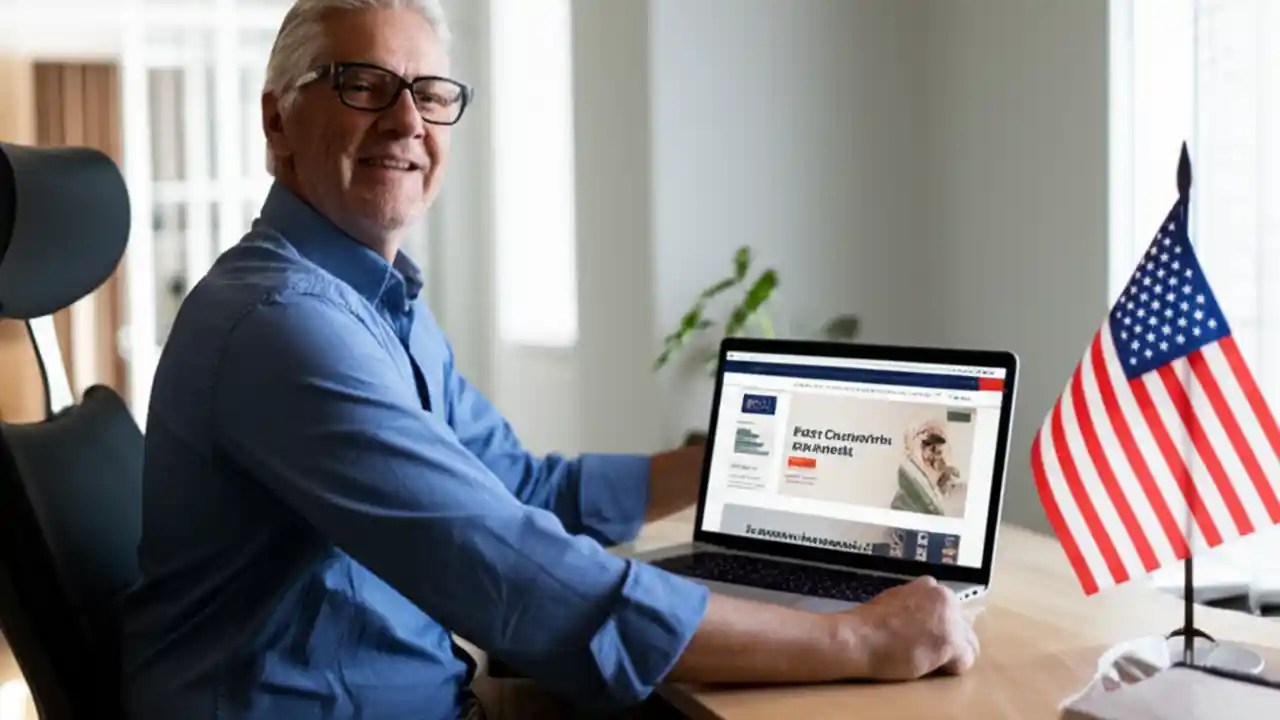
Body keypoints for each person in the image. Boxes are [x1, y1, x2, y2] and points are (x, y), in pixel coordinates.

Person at [120, 1, 979, 718]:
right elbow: (508, 571)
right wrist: (857, 638)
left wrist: (729, 463)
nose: (408, 122)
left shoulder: (376, 304)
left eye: (429, 93)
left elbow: (523, 490)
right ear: (278, 119)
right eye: (365, 85)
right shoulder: (283, 326)